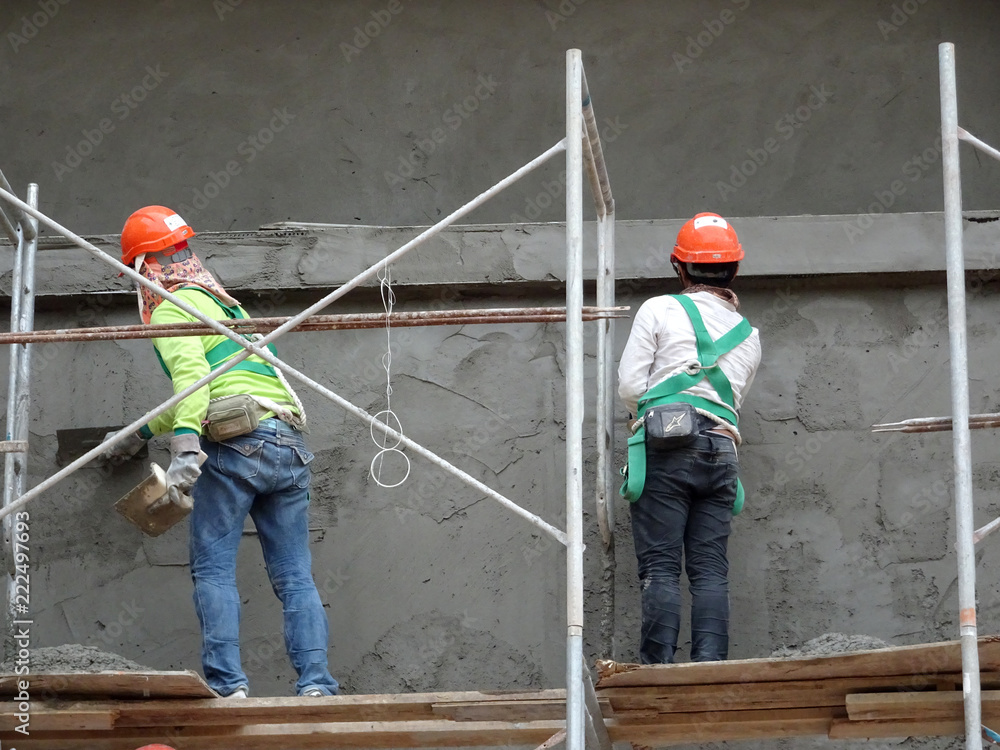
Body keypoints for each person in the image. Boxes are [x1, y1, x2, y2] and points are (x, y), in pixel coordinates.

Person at [102, 205, 339, 698]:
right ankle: (317, 686)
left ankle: (228, 686)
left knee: (212, 569)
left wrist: (185, 446)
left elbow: (195, 382)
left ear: (143, 269)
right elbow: (219, 384)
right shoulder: (231, 310)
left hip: (235, 447)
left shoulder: (172, 308)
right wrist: (142, 432)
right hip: (287, 444)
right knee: (295, 576)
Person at [618, 212, 761, 665]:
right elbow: (733, 400)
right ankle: (710, 669)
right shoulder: (750, 336)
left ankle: (658, 671)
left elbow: (629, 387)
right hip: (722, 448)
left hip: (668, 444)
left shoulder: (659, 309)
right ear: (733, 270)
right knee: (710, 571)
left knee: (660, 568)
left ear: (680, 267)